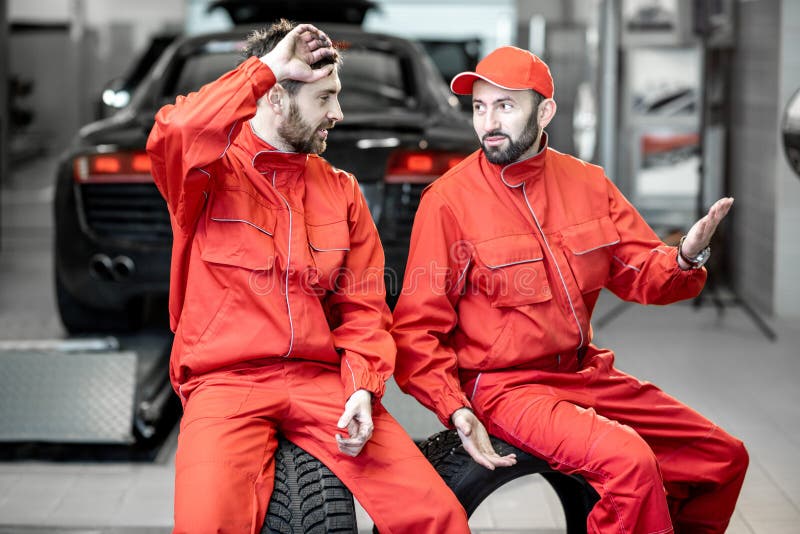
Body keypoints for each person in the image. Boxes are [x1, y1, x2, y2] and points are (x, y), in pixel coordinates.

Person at [391, 45, 748, 533]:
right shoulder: (448, 201)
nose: (488, 122)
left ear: (545, 112)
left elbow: (643, 274)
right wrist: (452, 406)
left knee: (722, 458)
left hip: (584, 373)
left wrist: (685, 256)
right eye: (479, 107)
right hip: (505, 387)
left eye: (505, 106)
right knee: (629, 465)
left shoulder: (587, 183)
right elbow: (416, 330)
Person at [146, 20, 469, 533]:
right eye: (325, 98)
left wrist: (363, 388)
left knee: (435, 514)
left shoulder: (340, 190)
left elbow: (363, 308)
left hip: (323, 384)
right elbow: (177, 128)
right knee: (208, 523)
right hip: (227, 384)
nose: (338, 114)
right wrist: (265, 69)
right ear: (275, 97)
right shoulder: (207, 174)